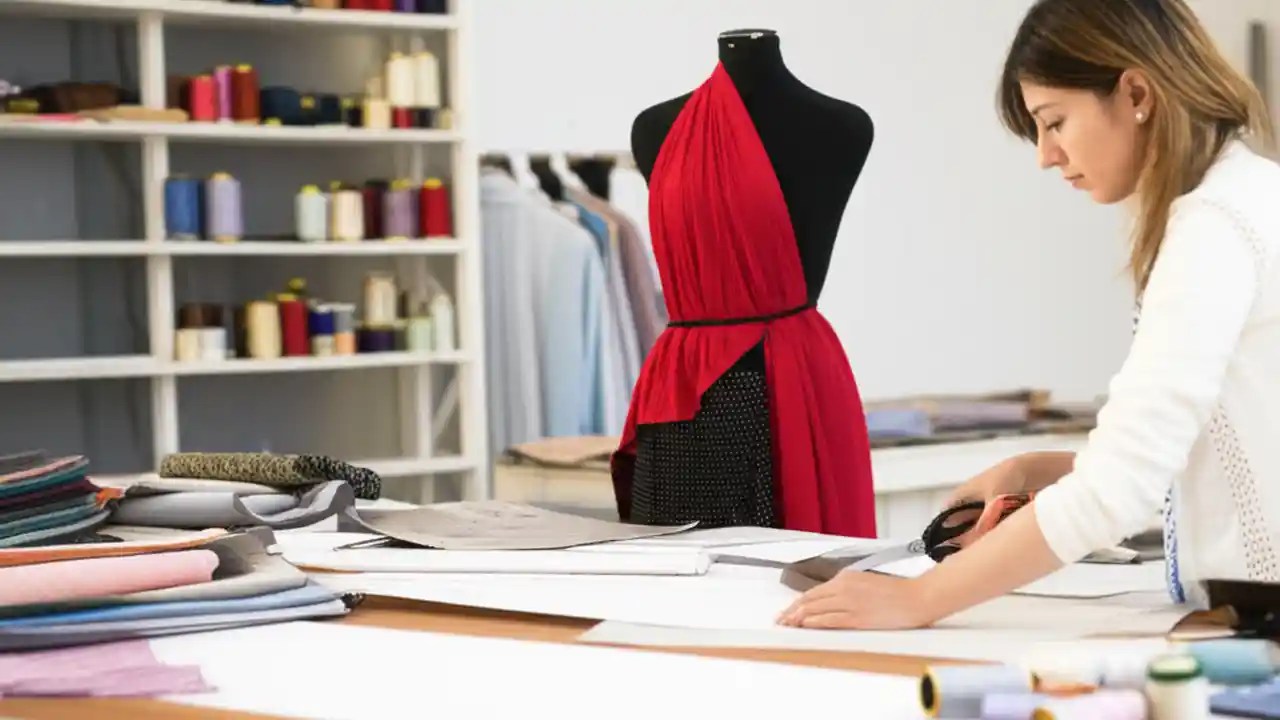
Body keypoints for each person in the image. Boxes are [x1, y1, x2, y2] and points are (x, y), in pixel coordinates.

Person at [778, 0, 1280, 630]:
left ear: (1135, 93)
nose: (1045, 154)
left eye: (1054, 122)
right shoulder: (1254, 194)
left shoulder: (1209, 228)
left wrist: (918, 598)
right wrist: (1038, 471)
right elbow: (1222, 441)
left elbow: (1116, 491)